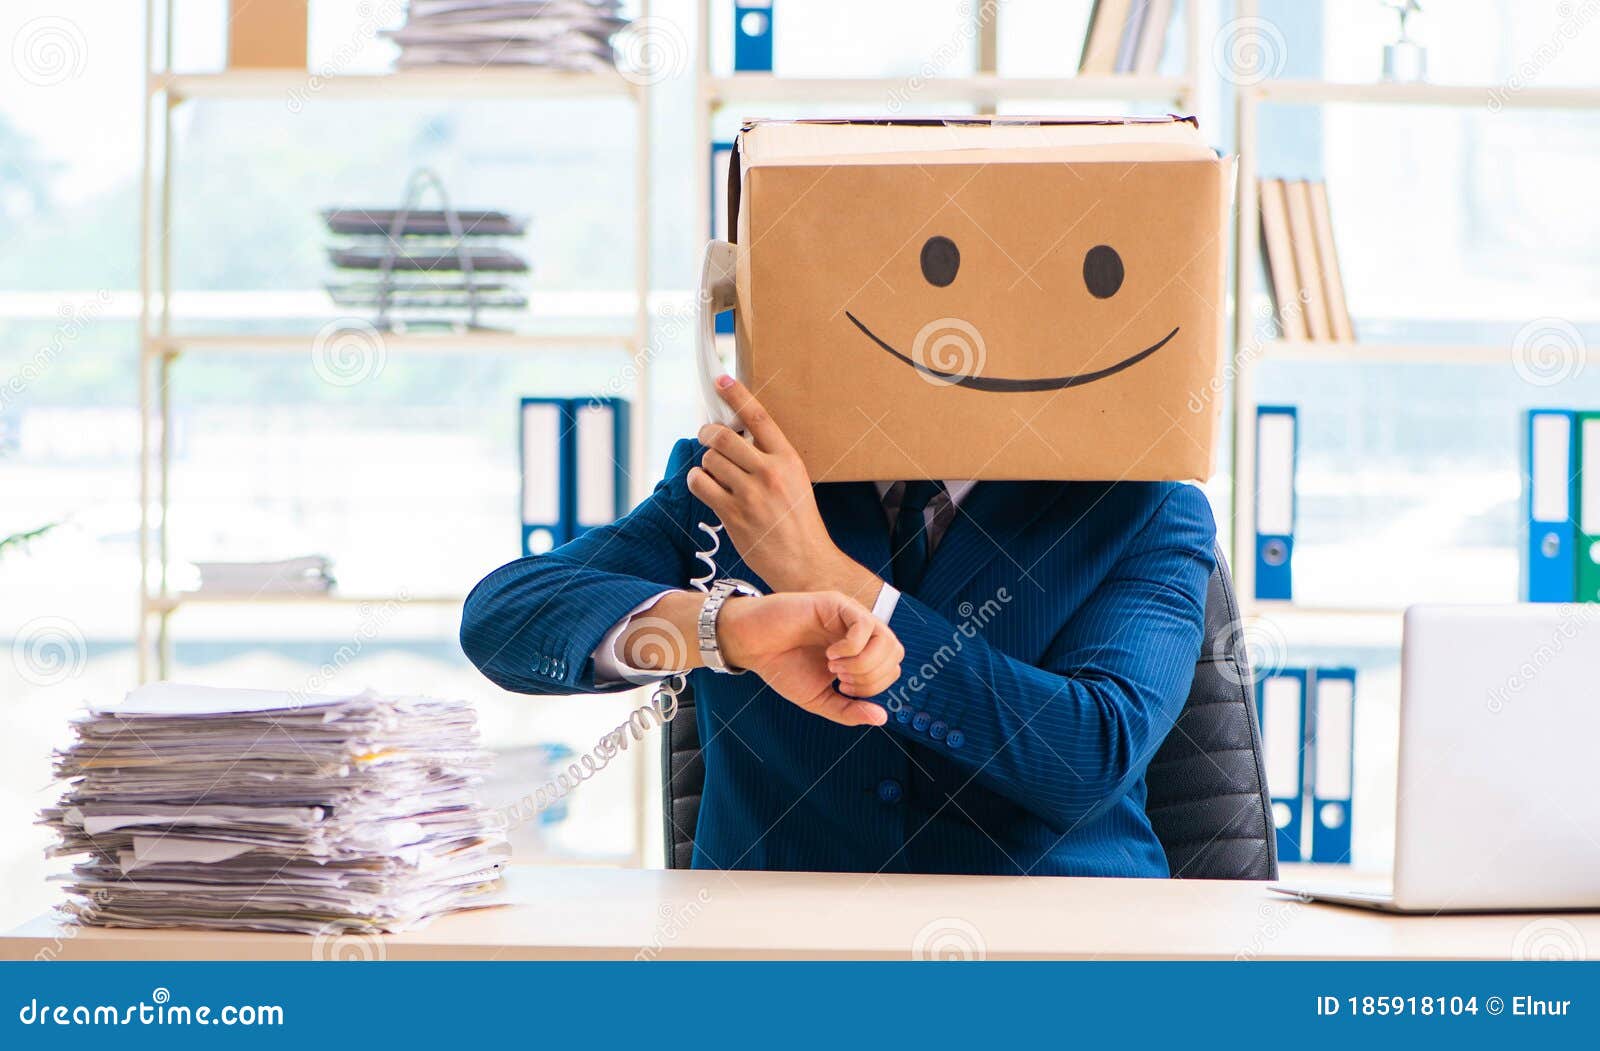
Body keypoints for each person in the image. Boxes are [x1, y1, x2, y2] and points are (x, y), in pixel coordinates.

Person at [461, 375, 1216, 876]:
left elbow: (1092, 750)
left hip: (1057, 965)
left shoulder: (1140, 501)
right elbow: (505, 617)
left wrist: (825, 572)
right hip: (775, 971)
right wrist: (719, 626)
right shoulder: (742, 480)